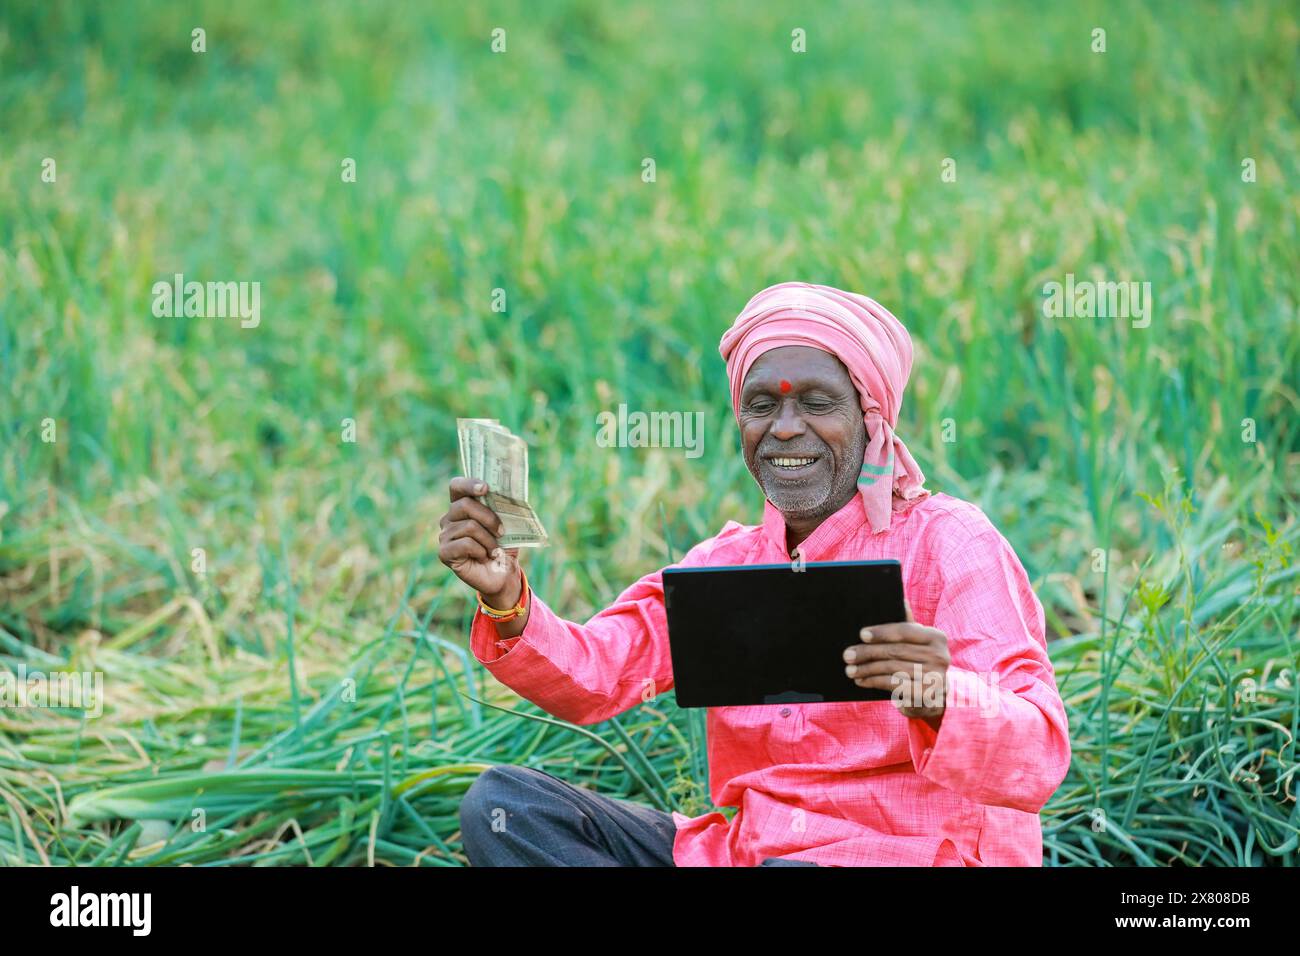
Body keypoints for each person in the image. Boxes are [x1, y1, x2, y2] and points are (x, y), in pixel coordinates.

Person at [439, 281, 1071, 866]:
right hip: (746, 851)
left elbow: (1038, 755)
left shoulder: (949, 542)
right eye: (761, 404)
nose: (785, 428)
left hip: (906, 853)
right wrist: (505, 597)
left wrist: (941, 693)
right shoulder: (725, 565)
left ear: (872, 417)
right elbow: (597, 677)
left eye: (819, 403)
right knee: (505, 807)